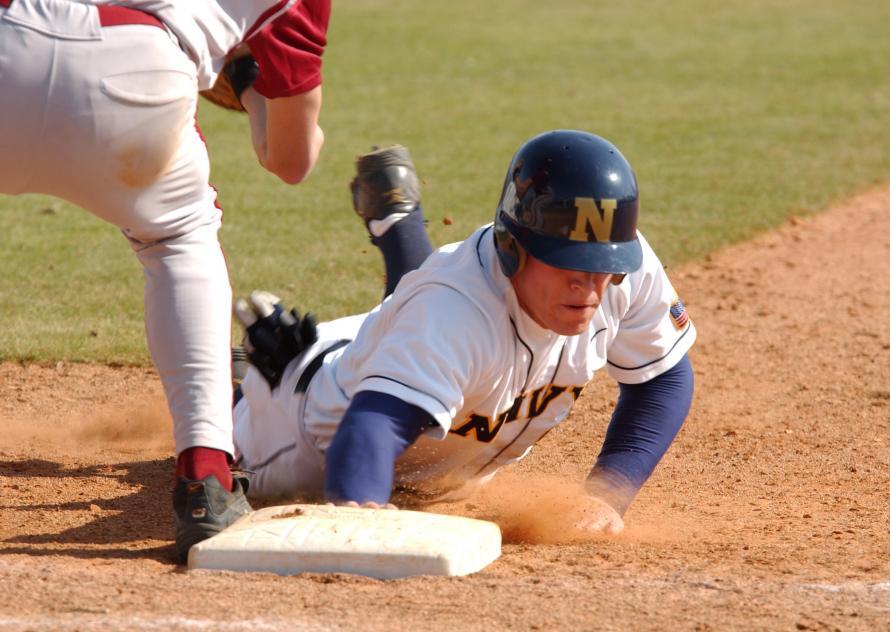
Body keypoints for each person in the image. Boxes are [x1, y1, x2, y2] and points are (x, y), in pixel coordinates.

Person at [232, 130, 696, 534]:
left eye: (603, 267)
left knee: (431, 339)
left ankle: (399, 226)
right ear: (512, 248)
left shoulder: (624, 267)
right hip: (308, 436)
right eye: (569, 263)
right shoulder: (452, 312)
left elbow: (665, 379)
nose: (589, 285)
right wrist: (362, 522)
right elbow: (370, 428)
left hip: (421, 359)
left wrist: (606, 495)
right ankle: (248, 384)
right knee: (227, 442)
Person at [0, 0, 331, 559]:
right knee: (180, 239)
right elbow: (290, 160)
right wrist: (250, 85)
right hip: (138, 75)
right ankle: (207, 477)